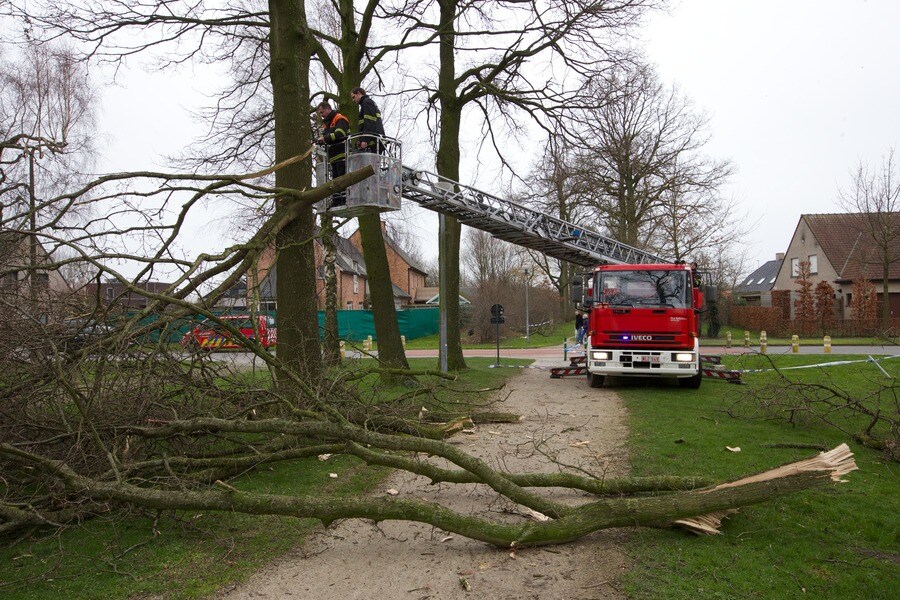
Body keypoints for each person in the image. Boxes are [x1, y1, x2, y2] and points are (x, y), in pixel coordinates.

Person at [316, 100, 350, 206]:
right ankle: (337, 201)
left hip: (342, 154)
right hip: (333, 156)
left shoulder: (339, 119)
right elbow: (327, 138)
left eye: (322, 112)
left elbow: (340, 134)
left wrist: (325, 138)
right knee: (335, 180)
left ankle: (344, 200)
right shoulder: (327, 124)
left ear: (328, 109)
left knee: (342, 179)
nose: (321, 116)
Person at [350, 87, 385, 152]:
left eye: (353, 97)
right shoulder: (367, 104)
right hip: (374, 141)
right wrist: (360, 140)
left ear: (358, 93)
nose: (353, 100)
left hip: (373, 142)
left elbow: (370, 121)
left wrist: (365, 139)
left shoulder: (367, 102)